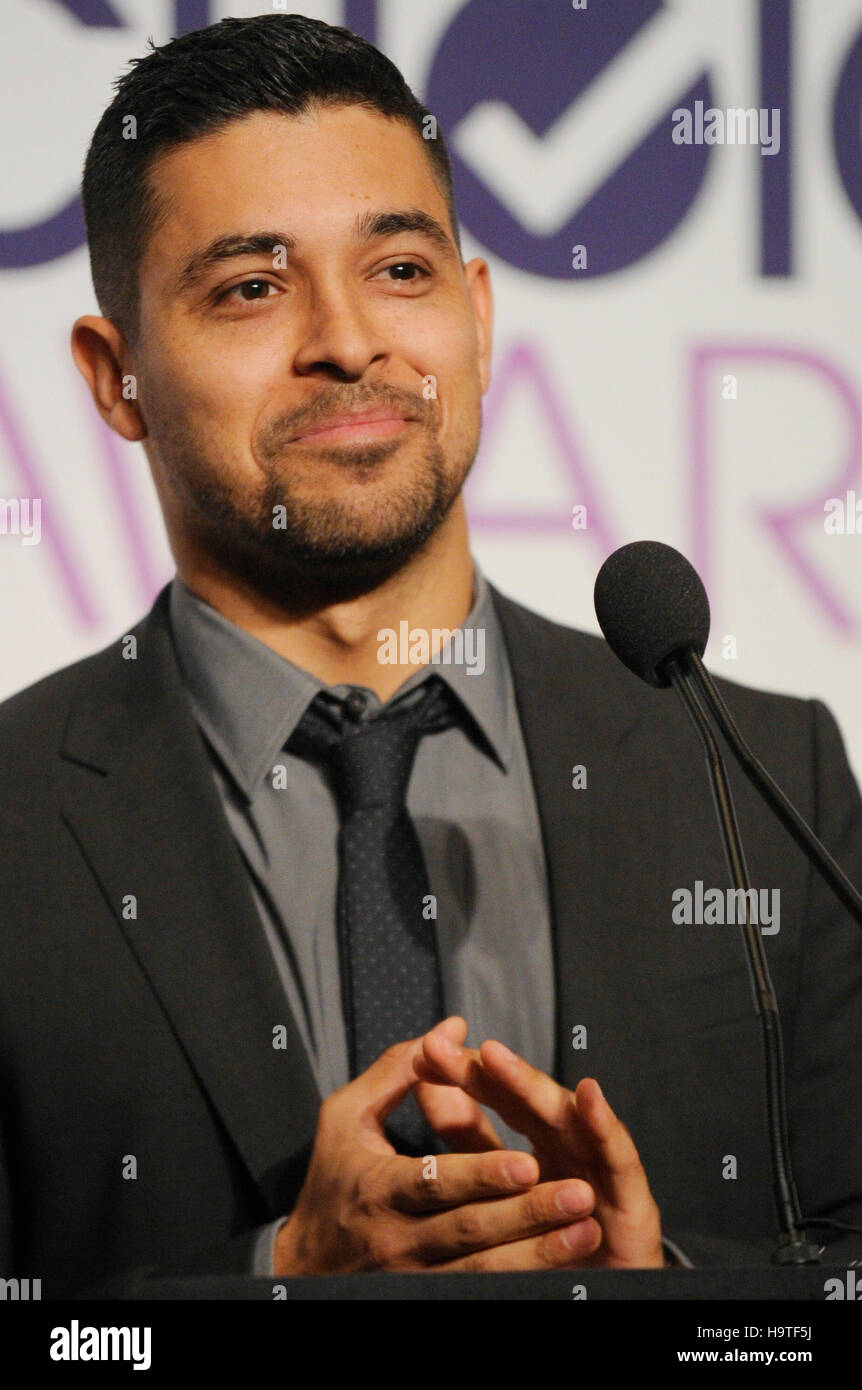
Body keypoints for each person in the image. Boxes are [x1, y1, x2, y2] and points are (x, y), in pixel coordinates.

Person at [1, 14, 860, 1298]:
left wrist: (663, 1286)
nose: (348, 341)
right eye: (250, 286)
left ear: (476, 312)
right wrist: (277, 1277)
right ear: (114, 376)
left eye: (400, 269)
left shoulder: (756, 772)